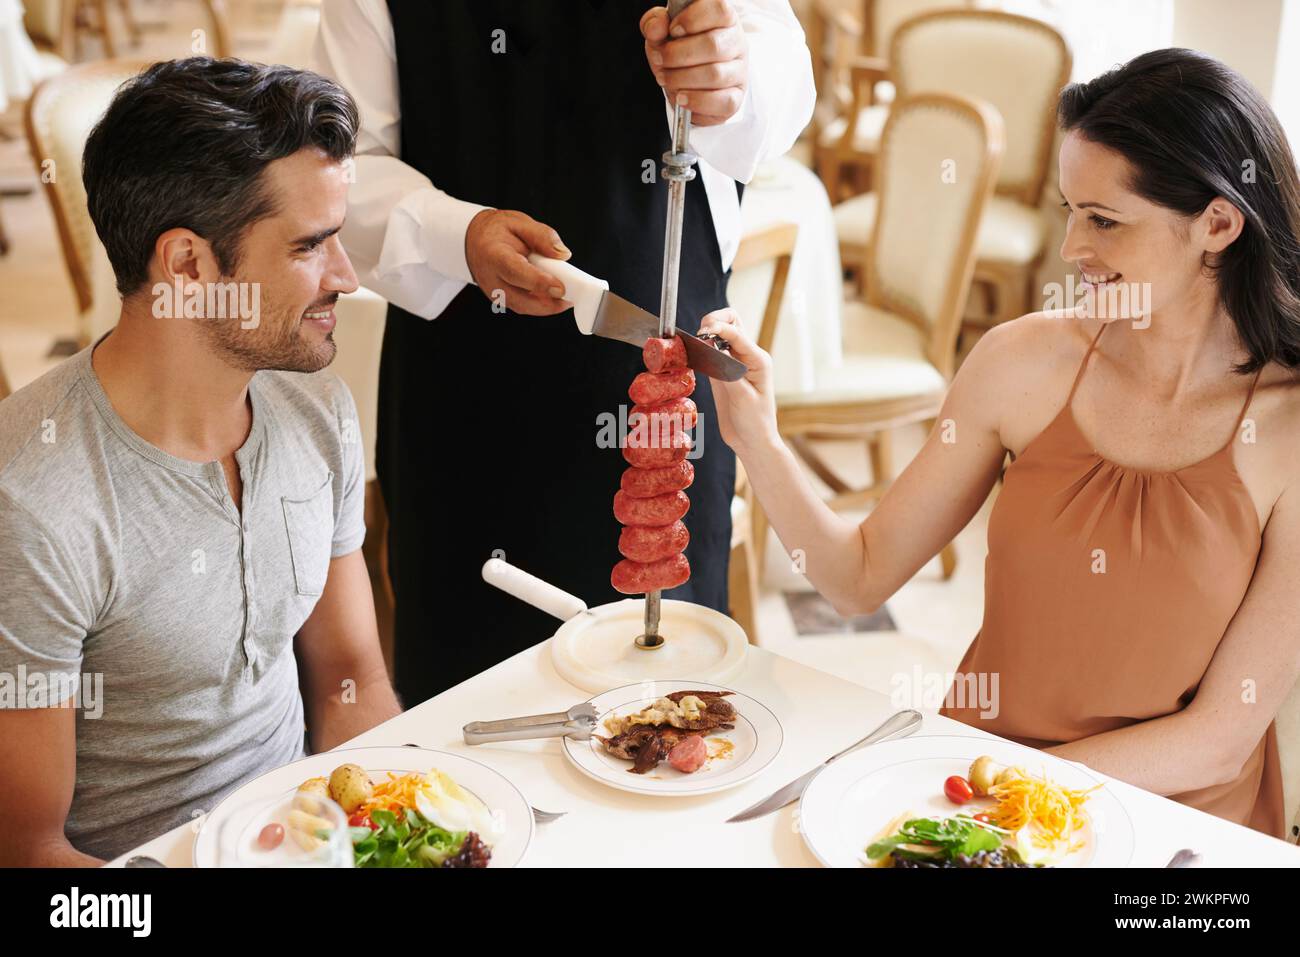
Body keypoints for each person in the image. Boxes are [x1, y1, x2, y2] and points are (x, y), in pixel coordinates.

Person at [698, 49, 1300, 838]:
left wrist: (1012, 792)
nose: (1070, 249)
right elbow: (855, 577)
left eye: (1104, 220)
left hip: (1162, 827)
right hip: (974, 793)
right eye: (1069, 211)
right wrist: (759, 438)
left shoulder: (1287, 431)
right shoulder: (1021, 363)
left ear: (1218, 223)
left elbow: (1219, 740)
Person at [313, 0, 815, 704]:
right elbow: (340, 162)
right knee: (467, 706)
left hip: (655, 378)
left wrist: (736, 82)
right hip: (462, 392)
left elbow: (782, 78)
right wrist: (456, 232)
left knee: (666, 710)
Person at [0, 58, 401, 865]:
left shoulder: (318, 412)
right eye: (310, 246)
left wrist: (402, 835)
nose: (347, 278)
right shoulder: (32, 502)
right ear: (188, 267)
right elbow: (27, 852)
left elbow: (349, 684)